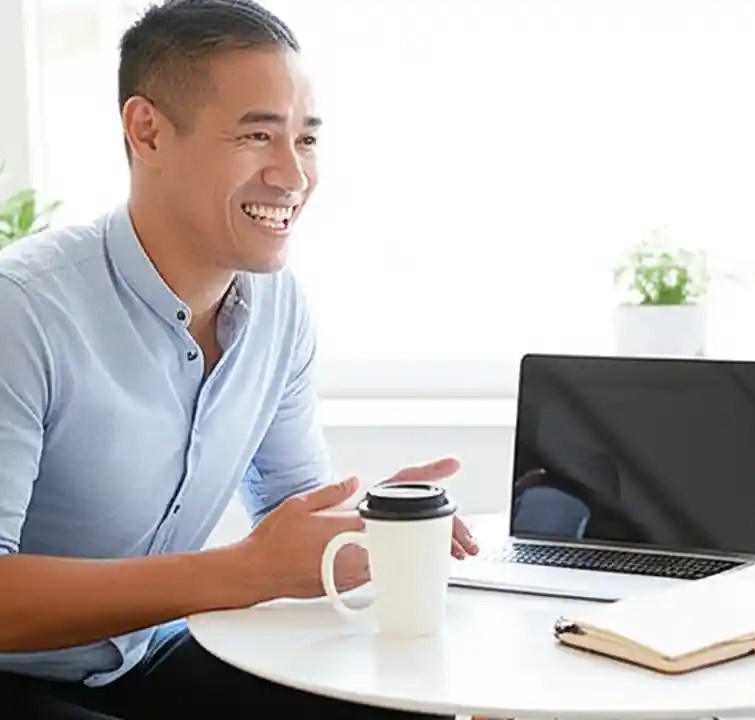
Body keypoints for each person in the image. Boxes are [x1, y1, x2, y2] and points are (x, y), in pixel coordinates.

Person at [0, 1, 479, 717]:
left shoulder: (278, 310)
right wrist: (244, 571)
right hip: (19, 675)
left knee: (405, 708)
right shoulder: (24, 311)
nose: (293, 176)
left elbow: (291, 509)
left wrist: (369, 525)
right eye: (258, 135)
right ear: (148, 131)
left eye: (306, 140)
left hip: (153, 655)